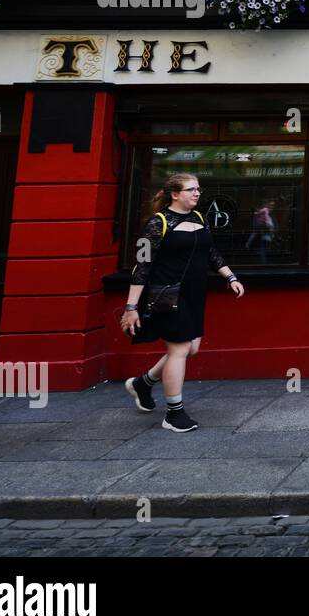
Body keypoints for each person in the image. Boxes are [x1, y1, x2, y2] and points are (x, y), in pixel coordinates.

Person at [122, 174, 246, 433]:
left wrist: (230, 277)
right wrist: (131, 307)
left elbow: (211, 253)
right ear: (174, 194)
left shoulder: (199, 218)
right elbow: (141, 265)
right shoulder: (157, 223)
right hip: (167, 294)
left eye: (198, 189)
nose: (197, 193)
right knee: (179, 349)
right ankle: (174, 413)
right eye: (191, 189)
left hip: (194, 293)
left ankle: (144, 383)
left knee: (190, 349)